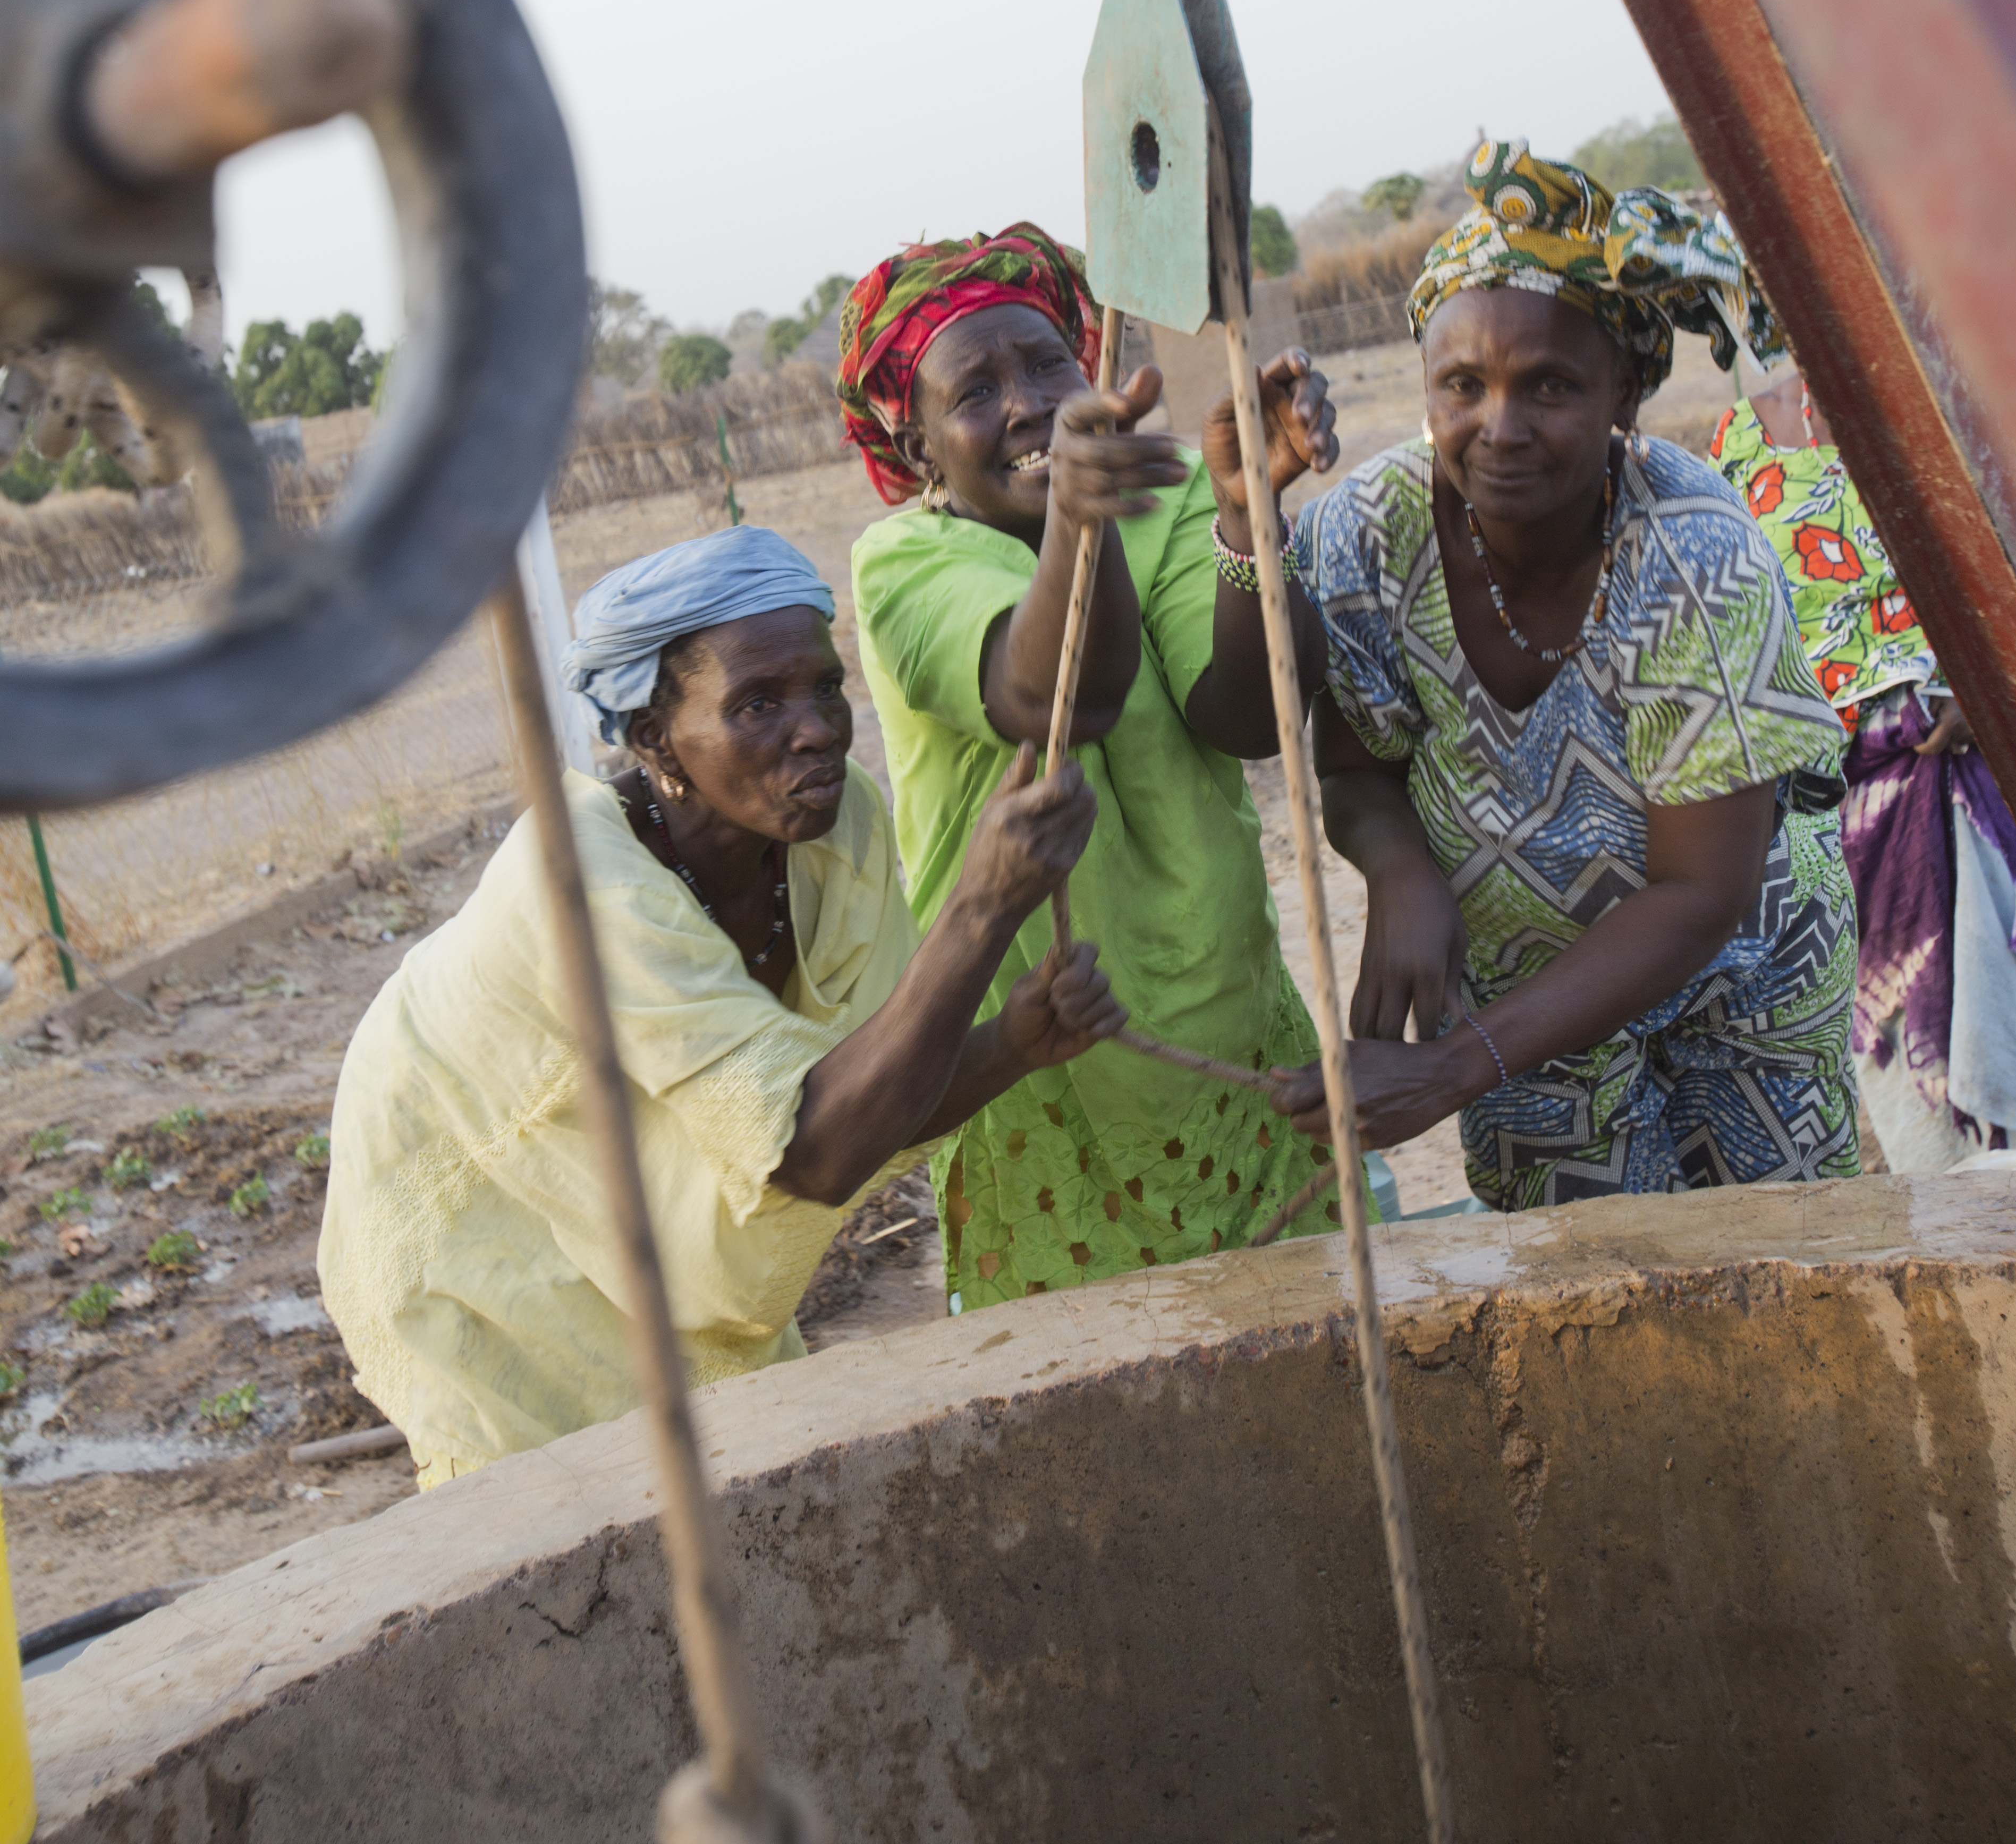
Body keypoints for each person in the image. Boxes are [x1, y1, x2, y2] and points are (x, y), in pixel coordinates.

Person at [318, 529, 1122, 1484]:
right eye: (757, 704)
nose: (818, 725)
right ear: (656, 739)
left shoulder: (839, 825)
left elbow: (872, 1084)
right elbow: (812, 1150)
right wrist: (982, 909)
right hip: (475, 1201)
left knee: (728, 1472)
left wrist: (1011, 1044)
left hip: (631, 1189)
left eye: (825, 687)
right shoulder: (579, 878)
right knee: (553, 1509)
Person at [1275, 141, 1860, 1208]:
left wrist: (1458, 1065)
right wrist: (1400, 874)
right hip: (1522, 998)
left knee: (1783, 1282)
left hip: (1745, 970)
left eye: (1548, 386)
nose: (1498, 427)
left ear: (1625, 394)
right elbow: (1355, 769)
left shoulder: (1693, 553)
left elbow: (1703, 891)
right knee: (1583, 1322)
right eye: (1463, 384)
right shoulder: (1365, 536)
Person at [840, 220, 1347, 1309]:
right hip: (1047, 1061)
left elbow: (1247, 716)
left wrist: (1244, 518)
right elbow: (1055, 699)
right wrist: (1079, 512)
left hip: (1231, 1037)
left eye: (1046, 365)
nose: (1025, 403)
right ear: (918, 447)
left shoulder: (1156, 510)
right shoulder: (905, 564)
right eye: (973, 391)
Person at [1713, 360, 2016, 1168]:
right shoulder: (1737, 445)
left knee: (2001, 1006)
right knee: (1897, 1037)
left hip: (1967, 756)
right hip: (1842, 800)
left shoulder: (1927, 387)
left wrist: (1982, 679)